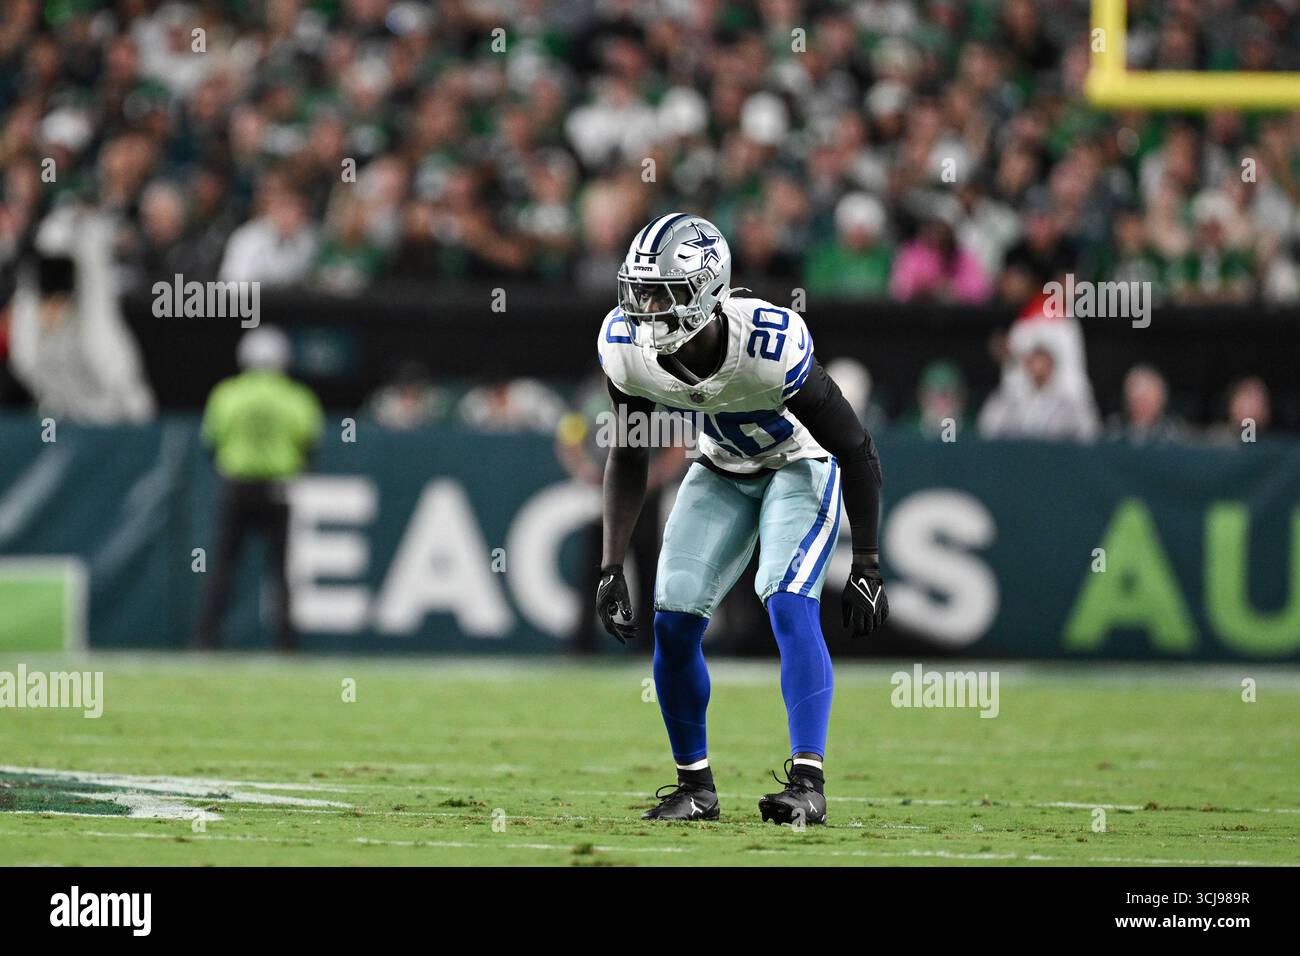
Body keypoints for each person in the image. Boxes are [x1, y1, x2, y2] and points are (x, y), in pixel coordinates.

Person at [595, 214, 888, 825]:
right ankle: (695, 787)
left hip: (799, 463)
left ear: (707, 289)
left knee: (785, 599)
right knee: (672, 619)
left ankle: (808, 781)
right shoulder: (626, 348)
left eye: (661, 294)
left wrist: (866, 561)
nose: (644, 309)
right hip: (723, 465)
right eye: (638, 291)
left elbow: (855, 445)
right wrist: (609, 565)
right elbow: (628, 451)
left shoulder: (768, 343)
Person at [195, 326, 323, 650]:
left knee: (223, 568)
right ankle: (287, 645)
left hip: (237, 487)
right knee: (280, 571)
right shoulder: (296, 397)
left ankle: (206, 640)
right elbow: (309, 446)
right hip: (278, 490)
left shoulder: (227, 394)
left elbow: (211, 444)